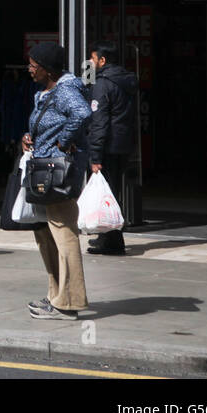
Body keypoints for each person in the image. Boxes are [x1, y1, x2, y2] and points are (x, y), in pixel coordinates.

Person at [23, 41, 91, 321]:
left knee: (64, 235)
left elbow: (83, 113)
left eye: (33, 65)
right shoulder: (47, 92)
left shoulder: (66, 90)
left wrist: (64, 142)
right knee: (46, 235)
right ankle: (56, 295)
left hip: (57, 173)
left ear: (47, 69)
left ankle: (69, 302)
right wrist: (30, 138)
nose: (29, 69)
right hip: (43, 171)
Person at [86, 41, 138, 256]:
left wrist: (95, 155)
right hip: (123, 144)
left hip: (108, 146)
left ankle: (113, 241)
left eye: (93, 58)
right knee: (112, 192)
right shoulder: (126, 81)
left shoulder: (103, 84)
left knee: (108, 194)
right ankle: (106, 237)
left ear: (103, 60)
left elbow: (99, 122)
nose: (90, 62)